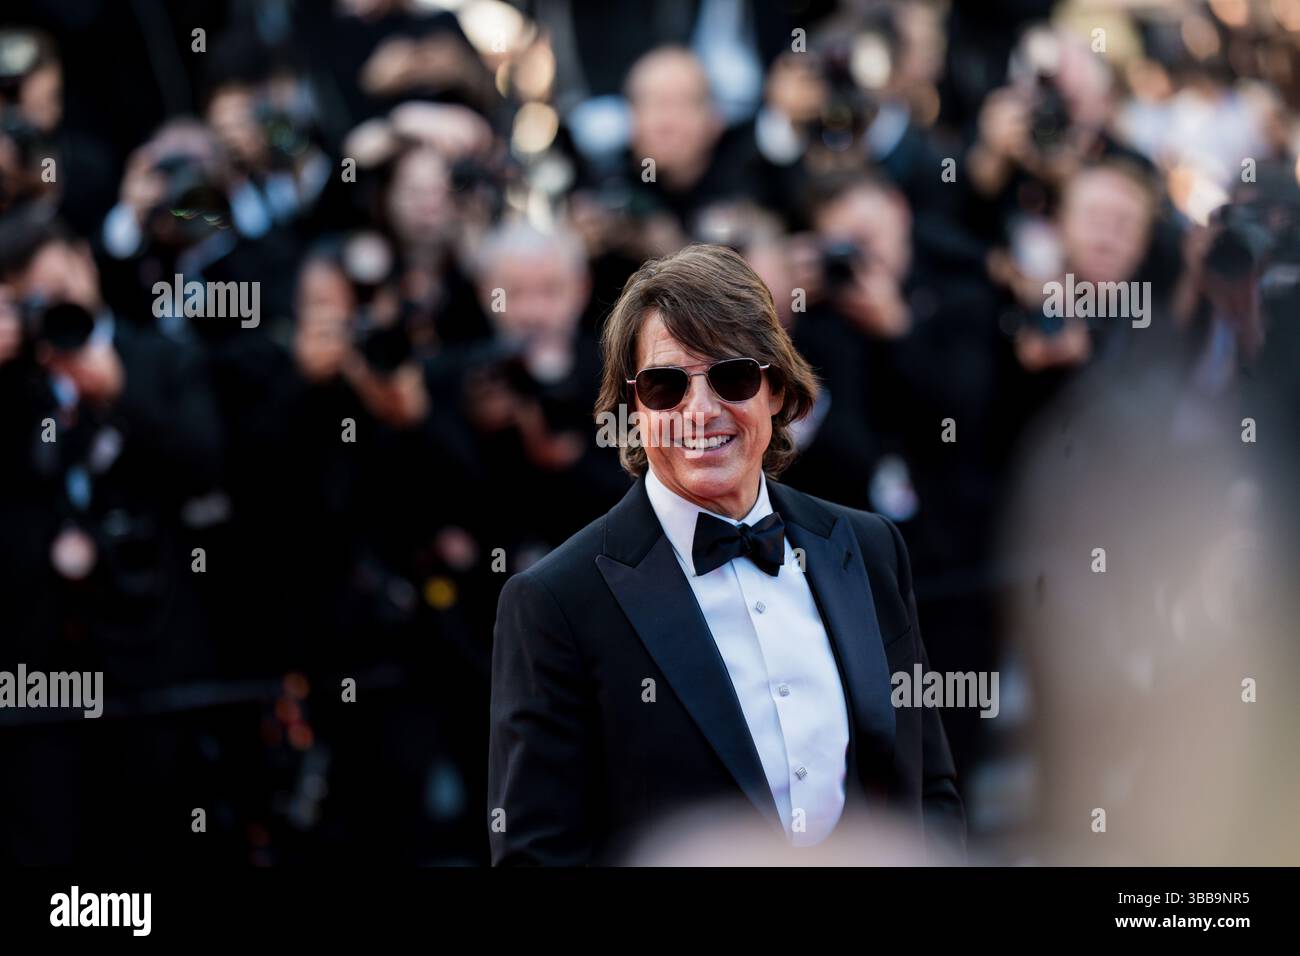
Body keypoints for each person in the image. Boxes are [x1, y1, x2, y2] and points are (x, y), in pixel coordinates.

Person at [487, 243, 965, 865]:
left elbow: (928, 790)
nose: (701, 410)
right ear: (635, 408)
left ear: (775, 387)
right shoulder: (556, 602)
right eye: (665, 386)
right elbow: (537, 855)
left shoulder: (869, 549)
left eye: (731, 375)